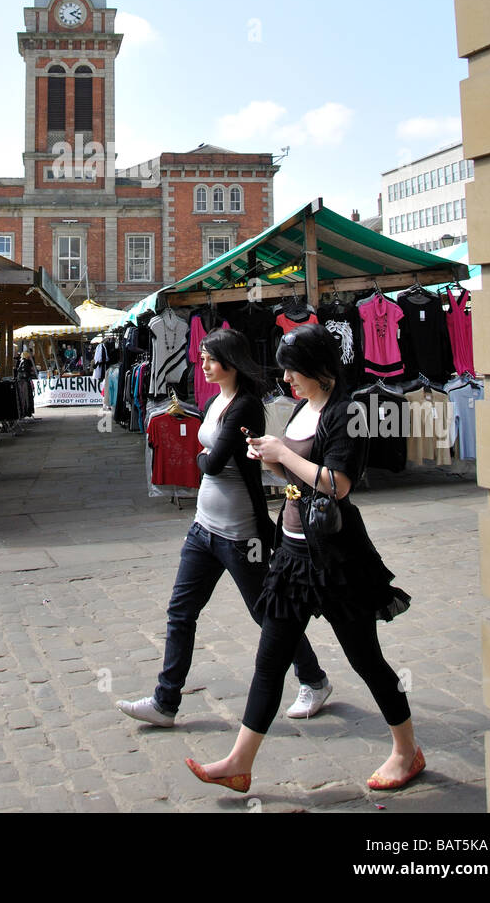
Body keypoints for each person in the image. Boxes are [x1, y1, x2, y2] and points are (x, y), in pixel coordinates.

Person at [186, 323, 423, 795]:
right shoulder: (300, 406)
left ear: (317, 368)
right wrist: (269, 460)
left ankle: (406, 750)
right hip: (292, 554)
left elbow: (337, 485)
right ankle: (239, 761)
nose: (287, 378)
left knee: (366, 659)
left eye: (293, 369)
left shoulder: (347, 411)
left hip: (337, 560)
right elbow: (299, 480)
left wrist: (282, 454)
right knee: (270, 661)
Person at [117, 328, 331, 728]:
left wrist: (202, 457)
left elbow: (213, 464)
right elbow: (212, 455)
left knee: (266, 613)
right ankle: (166, 702)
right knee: (180, 612)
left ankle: (314, 679)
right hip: (203, 529)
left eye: (210, 359)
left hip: (240, 533)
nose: (203, 364)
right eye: (201, 358)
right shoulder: (216, 401)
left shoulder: (246, 405)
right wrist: (207, 455)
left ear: (230, 362)